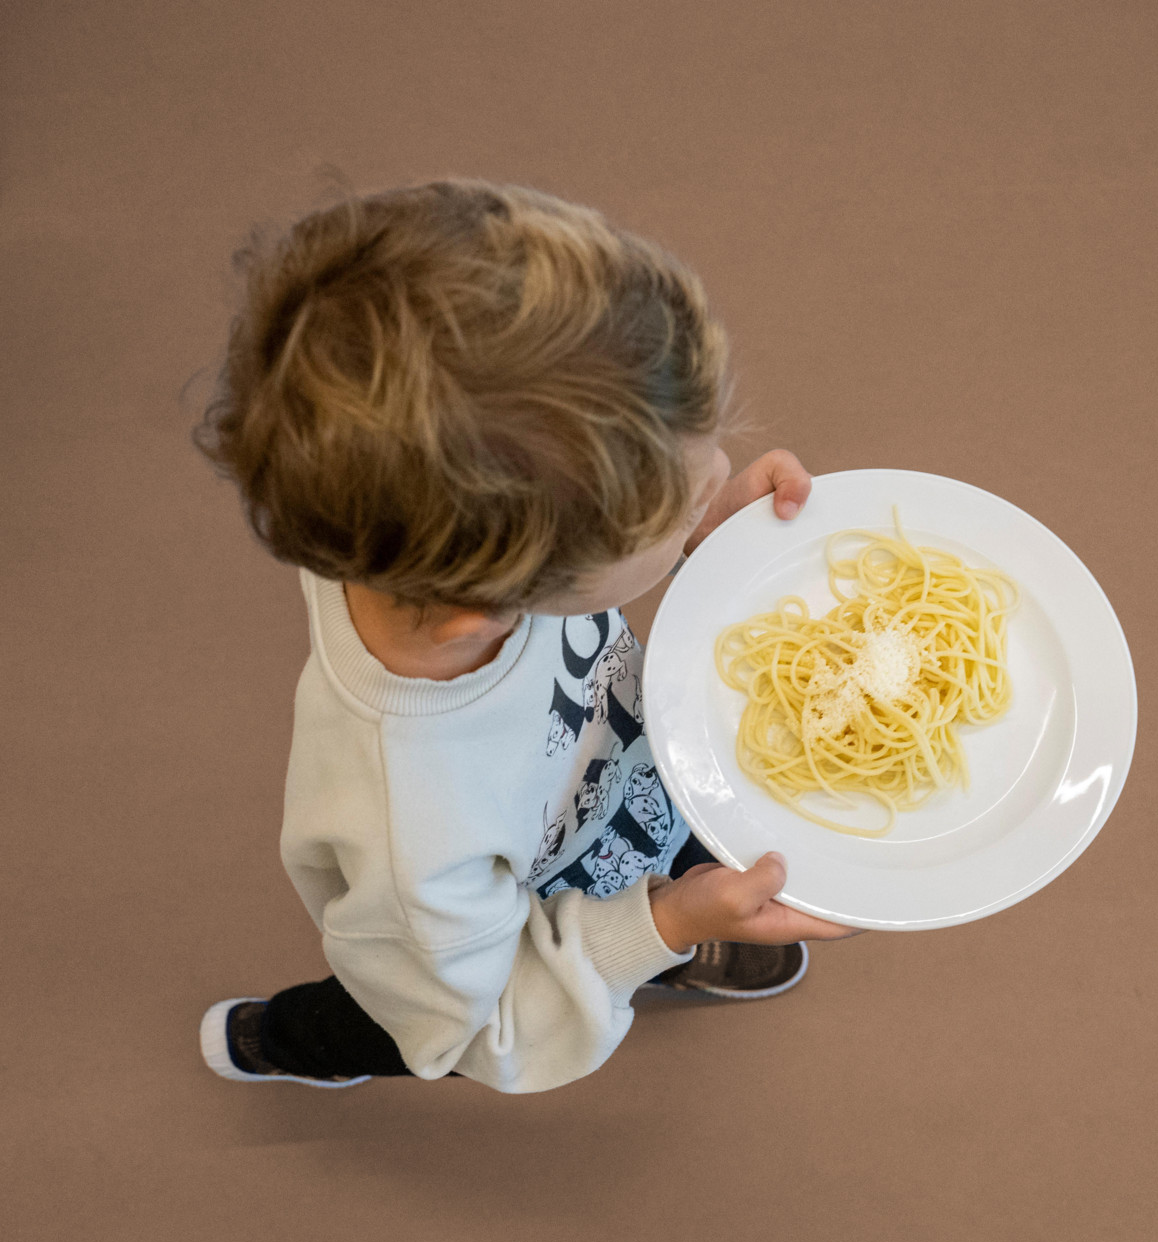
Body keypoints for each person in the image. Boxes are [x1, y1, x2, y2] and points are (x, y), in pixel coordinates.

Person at [188, 177, 862, 1092]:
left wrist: (701, 539)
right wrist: (660, 926)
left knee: (674, 877)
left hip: (622, 804)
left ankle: (663, 930)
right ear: (491, 608)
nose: (722, 476)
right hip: (452, 976)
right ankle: (284, 1040)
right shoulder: (413, 831)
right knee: (387, 1022)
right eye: (677, 507)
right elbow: (491, 1028)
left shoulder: (432, 542)